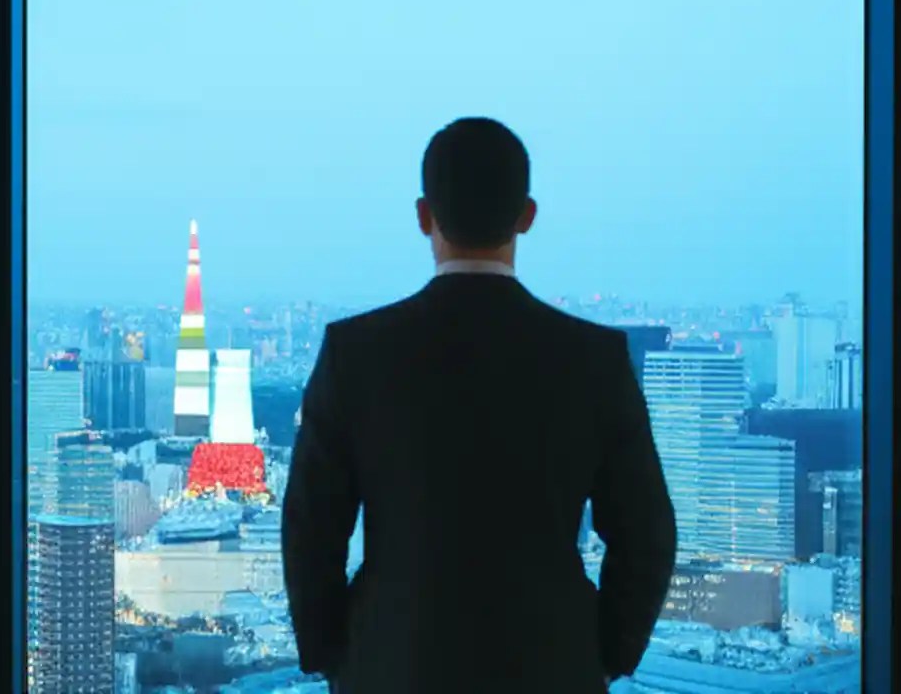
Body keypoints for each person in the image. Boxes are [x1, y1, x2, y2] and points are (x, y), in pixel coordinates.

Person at [282, 117, 677, 693]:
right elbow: (648, 533)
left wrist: (333, 654)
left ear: (424, 216)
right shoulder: (593, 358)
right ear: (527, 215)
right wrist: (604, 653)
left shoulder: (356, 353)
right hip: (551, 668)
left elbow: (310, 530)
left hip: (391, 665)